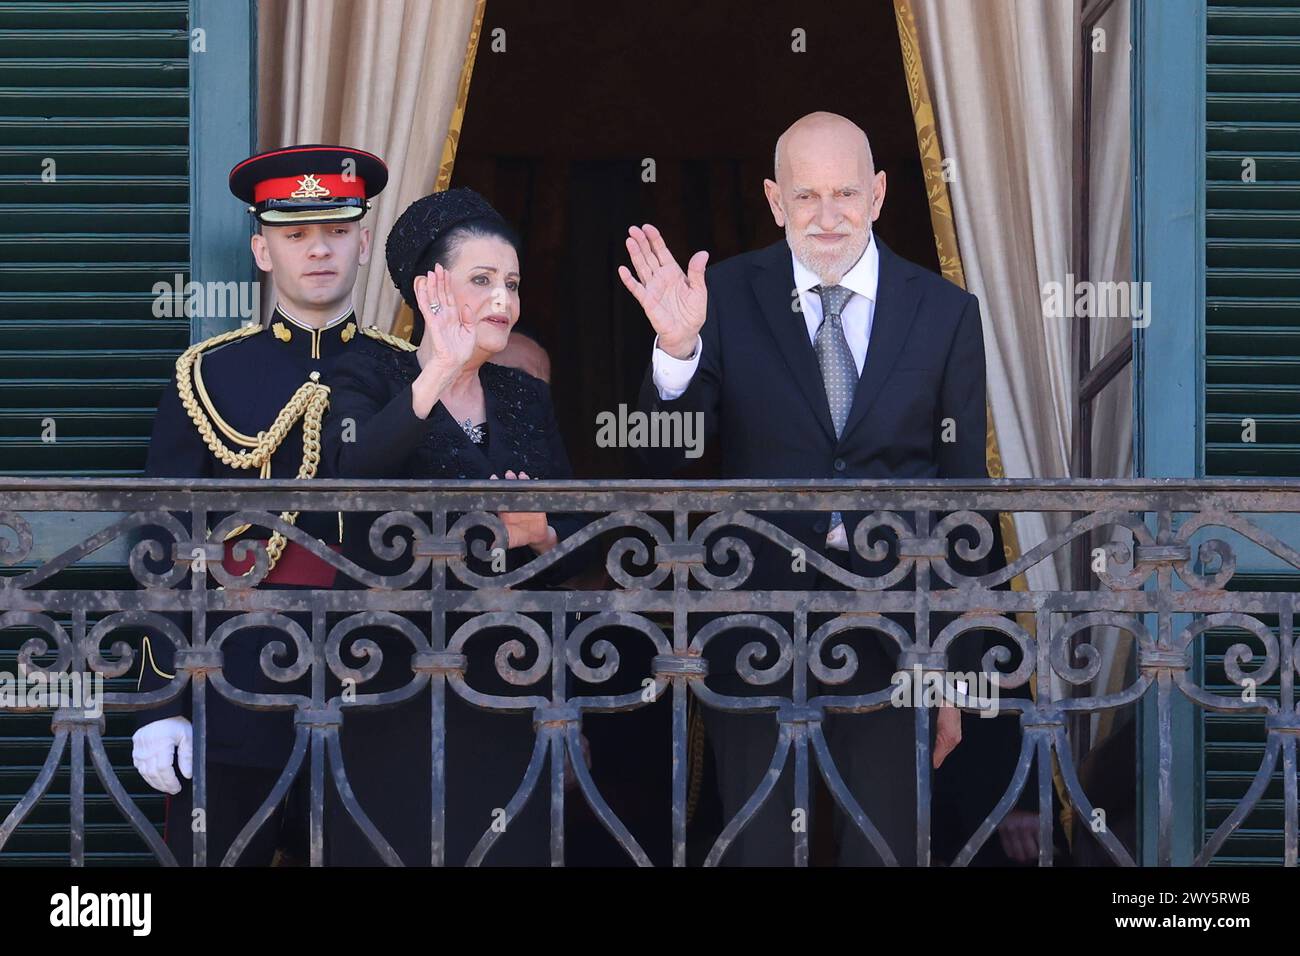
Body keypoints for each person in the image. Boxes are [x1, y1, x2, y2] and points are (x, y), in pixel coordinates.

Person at [619, 111, 994, 865]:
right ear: (773, 199)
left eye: (846, 194)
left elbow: (964, 498)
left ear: (881, 194)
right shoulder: (720, 295)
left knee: (888, 847)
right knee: (758, 847)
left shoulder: (947, 312)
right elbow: (668, 460)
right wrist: (676, 349)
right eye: (805, 197)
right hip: (752, 625)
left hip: (897, 630)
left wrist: (953, 660)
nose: (827, 218)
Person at [131, 144, 388, 865]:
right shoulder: (207, 374)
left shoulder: (406, 371)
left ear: (363, 242)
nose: (318, 251)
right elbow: (162, 547)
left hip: (374, 695)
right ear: (261, 249)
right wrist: (163, 704)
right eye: (295, 235)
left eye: (336, 232)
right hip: (231, 688)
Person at [319, 188, 593, 866]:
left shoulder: (523, 394)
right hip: (390, 676)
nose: (503, 298)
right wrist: (437, 369)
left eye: (512, 284)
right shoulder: (370, 371)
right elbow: (349, 485)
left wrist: (543, 536)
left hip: (507, 675)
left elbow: (568, 535)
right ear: (428, 288)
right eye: (482, 280)